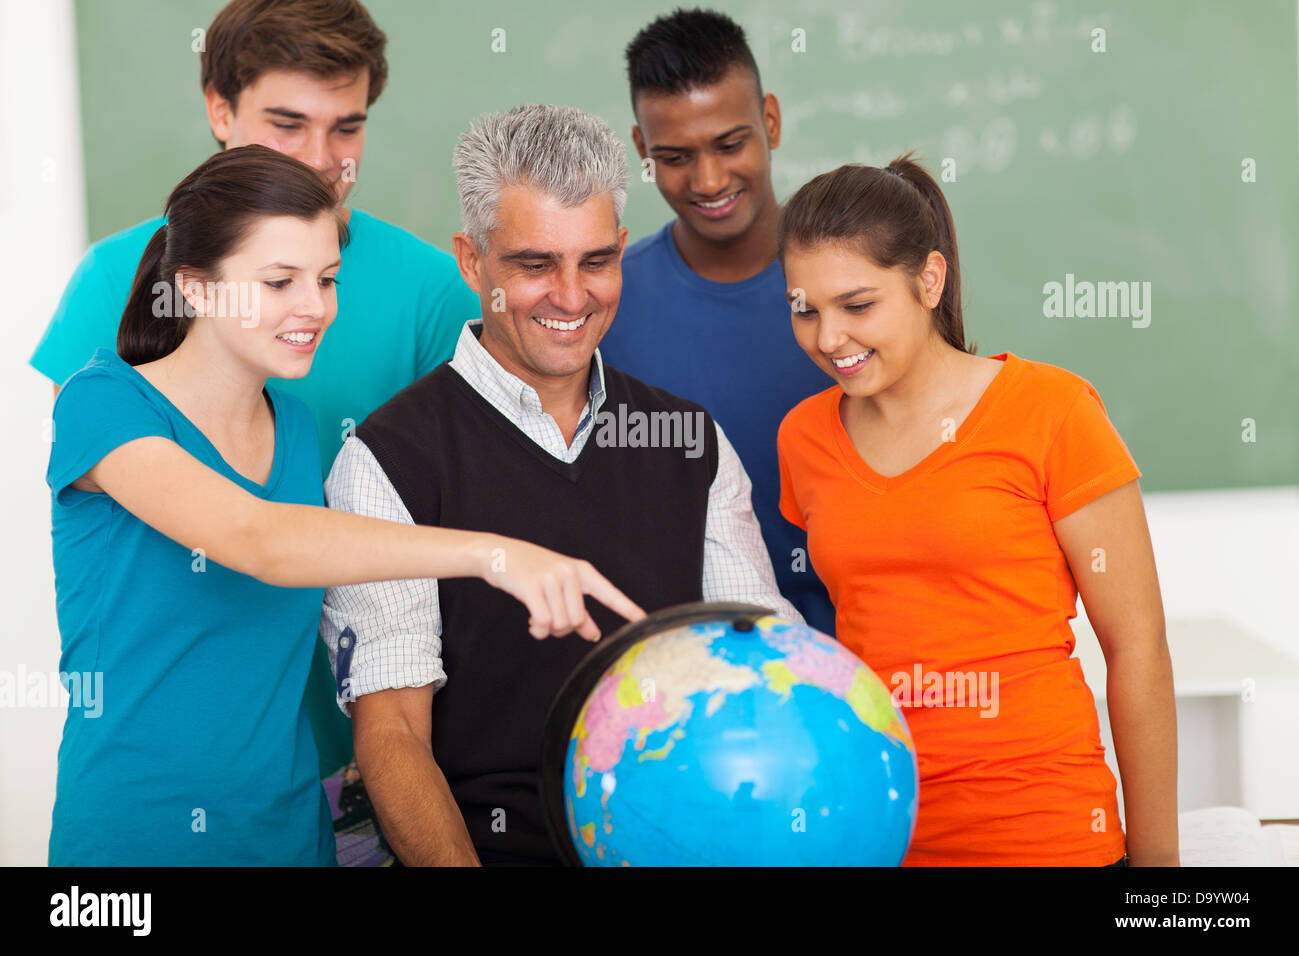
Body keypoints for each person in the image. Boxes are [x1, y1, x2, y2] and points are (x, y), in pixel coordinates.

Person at [46, 145, 643, 866]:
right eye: (279, 282)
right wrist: (492, 553)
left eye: (325, 279)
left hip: (290, 836)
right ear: (196, 288)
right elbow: (258, 539)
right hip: (133, 842)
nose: (314, 308)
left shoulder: (294, 426)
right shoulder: (104, 401)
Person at [320, 104, 801, 867]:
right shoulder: (388, 462)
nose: (572, 298)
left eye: (595, 262)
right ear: (473, 262)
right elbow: (395, 736)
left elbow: (767, 673)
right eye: (535, 265)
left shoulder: (693, 443)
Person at [29, 0, 479, 781]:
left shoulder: (431, 294)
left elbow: (463, 493)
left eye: (348, 125)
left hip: (369, 759)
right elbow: (162, 532)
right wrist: (503, 558)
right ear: (219, 109)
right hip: (167, 775)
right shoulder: (113, 284)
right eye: (286, 122)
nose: (321, 158)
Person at [775, 155, 1179, 866]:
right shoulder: (803, 438)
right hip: (878, 833)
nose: (828, 338)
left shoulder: (1052, 412)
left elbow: (1137, 648)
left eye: (858, 305)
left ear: (929, 280)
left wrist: (1160, 875)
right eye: (804, 309)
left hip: (1046, 833)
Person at [597, 9, 836, 635]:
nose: (709, 180)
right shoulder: (604, 303)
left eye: (731, 144)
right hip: (681, 663)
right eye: (676, 155)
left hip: (862, 653)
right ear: (643, 149)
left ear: (772, 122)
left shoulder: (864, 287)